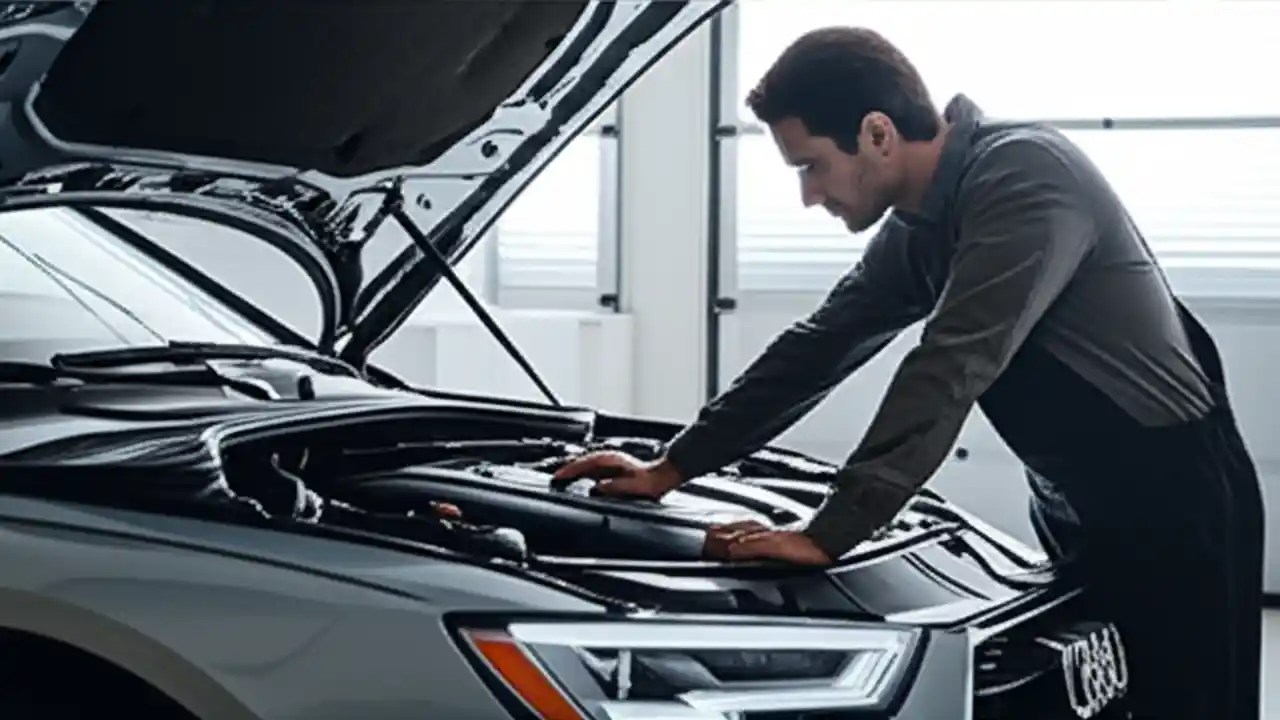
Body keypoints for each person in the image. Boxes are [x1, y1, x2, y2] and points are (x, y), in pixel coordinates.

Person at [553, 25, 1264, 719]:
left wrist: (832, 530)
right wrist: (672, 466)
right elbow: (818, 347)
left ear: (877, 134)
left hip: (1177, 504)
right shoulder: (922, 226)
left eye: (809, 166)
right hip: (1075, 506)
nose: (808, 196)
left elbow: (953, 362)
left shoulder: (1026, 176)